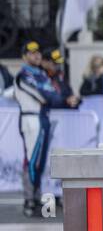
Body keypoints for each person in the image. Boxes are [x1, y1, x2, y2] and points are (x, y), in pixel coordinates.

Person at [14, 40, 70, 216]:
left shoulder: (42, 75)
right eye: (31, 53)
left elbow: (55, 94)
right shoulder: (23, 75)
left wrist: (53, 96)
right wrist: (52, 96)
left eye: (38, 52)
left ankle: (36, 197)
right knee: (32, 160)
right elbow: (44, 95)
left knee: (40, 161)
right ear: (24, 56)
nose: (36, 55)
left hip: (43, 118)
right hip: (31, 119)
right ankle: (29, 200)